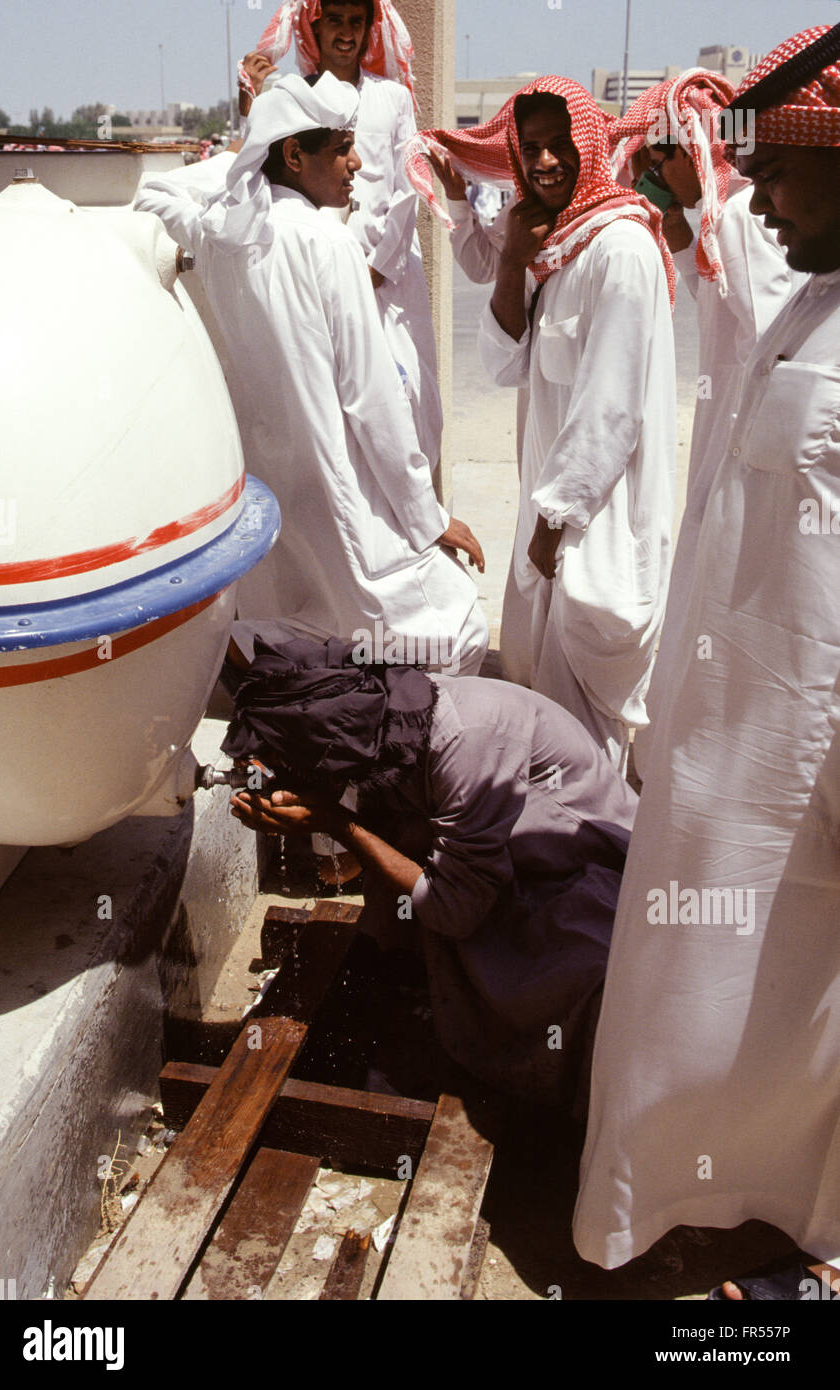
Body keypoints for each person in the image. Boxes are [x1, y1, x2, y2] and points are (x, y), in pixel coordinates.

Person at [573, 23, 840, 1299]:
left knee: (796, 1012)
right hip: (724, 747)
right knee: (697, 994)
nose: (765, 198)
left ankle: (793, 1228)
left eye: (788, 171)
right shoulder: (805, 303)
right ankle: (688, 1188)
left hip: (807, 771)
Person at [135, 73, 488, 675]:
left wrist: (243, 168)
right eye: (343, 147)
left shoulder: (221, 237)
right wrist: (428, 518)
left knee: (298, 635)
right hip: (340, 486)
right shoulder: (329, 244)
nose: (358, 163)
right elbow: (373, 400)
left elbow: (152, 192)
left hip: (272, 493)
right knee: (451, 635)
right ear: (295, 154)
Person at [225, 634, 638, 1111]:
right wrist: (370, 968)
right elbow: (389, 852)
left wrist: (334, 823)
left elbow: (454, 910)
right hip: (499, 865)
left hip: (578, 872)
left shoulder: (466, 744)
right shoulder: (386, 723)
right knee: (418, 923)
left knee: (556, 977)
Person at [409, 77, 677, 770]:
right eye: (531, 149)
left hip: (592, 523)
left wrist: (552, 529)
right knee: (544, 710)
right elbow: (505, 366)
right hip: (551, 518)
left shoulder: (618, 248)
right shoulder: (555, 243)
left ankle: (594, 860)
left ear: (589, 147)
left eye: (561, 145)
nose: (546, 162)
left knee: (588, 727)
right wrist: (509, 258)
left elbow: (608, 411)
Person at [609, 70, 805, 773]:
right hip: (723, 431)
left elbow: (763, 343)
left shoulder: (741, 217)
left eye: (661, 156)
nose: (652, 170)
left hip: (744, 440)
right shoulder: (716, 217)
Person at [242, 0, 443, 474]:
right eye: (335, 21)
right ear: (316, 28)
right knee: (336, 392)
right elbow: (267, 162)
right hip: (324, 268)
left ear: (371, 32)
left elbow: (408, 186)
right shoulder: (299, 95)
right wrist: (251, 100)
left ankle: (414, 509)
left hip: (388, 275)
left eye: (357, 22)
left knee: (407, 390)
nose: (347, 33)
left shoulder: (392, 97)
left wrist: (376, 268)